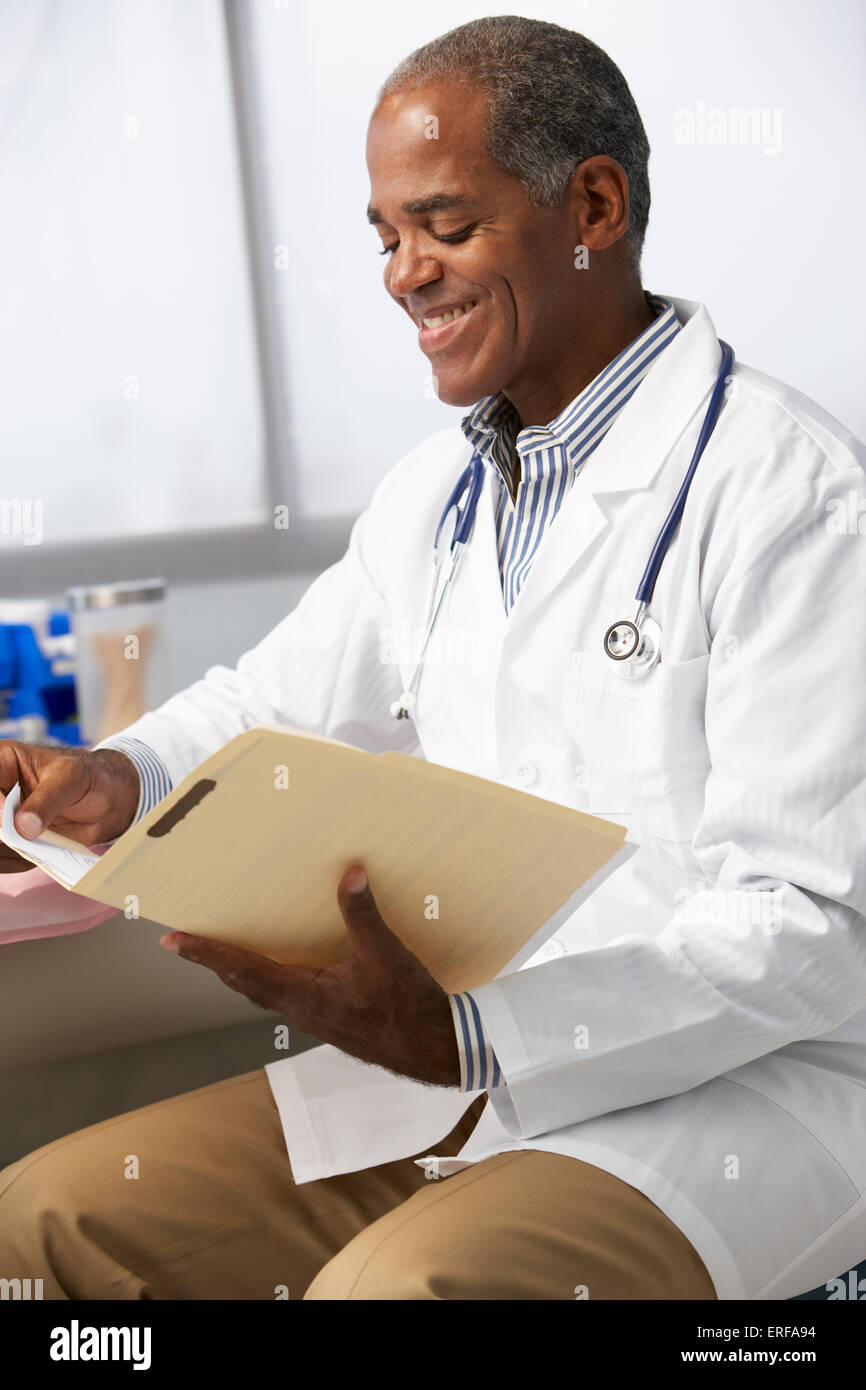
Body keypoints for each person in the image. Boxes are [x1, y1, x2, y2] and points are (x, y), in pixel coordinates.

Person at [1, 16, 864, 1301]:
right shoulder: (436, 495)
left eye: (443, 226)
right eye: (385, 235)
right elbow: (272, 701)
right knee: (46, 1222)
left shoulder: (787, 494)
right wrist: (119, 777)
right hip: (452, 1068)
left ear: (592, 203)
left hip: (735, 1094)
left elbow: (813, 925)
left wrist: (475, 1032)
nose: (404, 272)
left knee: (397, 1295)